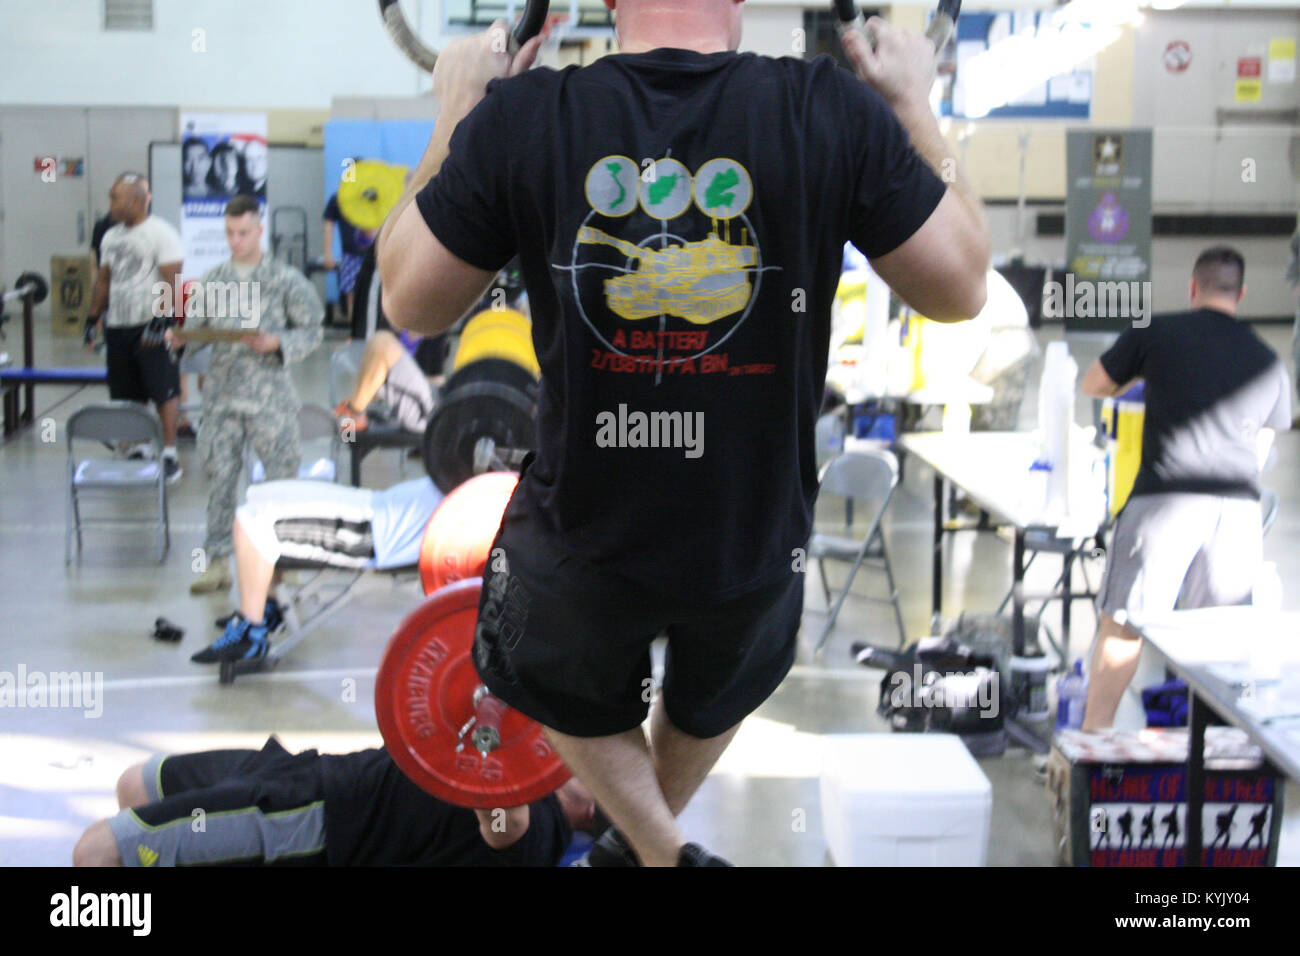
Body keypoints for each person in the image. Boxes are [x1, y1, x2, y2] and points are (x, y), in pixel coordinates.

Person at [377, 4, 989, 867]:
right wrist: (915, 106)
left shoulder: (527, 118)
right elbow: (964, 283)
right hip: (753, 545)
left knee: (532, 641)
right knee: (723, 678)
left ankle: (656, 851)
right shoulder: (827, 111)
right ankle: (656, 850)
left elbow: (407, 298)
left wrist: (454, 113)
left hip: (581, 546)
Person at [1080, 246, 1291, 730]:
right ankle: (1213, 763)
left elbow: (1094, 383)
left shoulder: (1158, 332)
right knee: (1218, 647)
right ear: (1241, 294)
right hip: (1237, 518)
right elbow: (1261, 449)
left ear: (1192, 287)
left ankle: (1091, 747)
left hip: (1164, 506)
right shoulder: (1266, 358)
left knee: (1123, 628)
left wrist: (1139, 380)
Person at [72, 736, 597, 867]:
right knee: (137, 784)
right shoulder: (536, 761)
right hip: (306, 770)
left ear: (593, 806)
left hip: (311, 821)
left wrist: (501, 770)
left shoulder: (544, 828)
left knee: (97, 851)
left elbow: (503, 825)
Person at [172, 194, 324, 595]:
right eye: (229, 233)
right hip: (222, 397)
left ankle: (286, 559)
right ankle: (217, 563)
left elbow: (313, 331)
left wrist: (278, 342)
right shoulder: (213, 280)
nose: (235, 241)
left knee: (281, 481)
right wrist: (179, 339)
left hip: (270, 398)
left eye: (243, 233)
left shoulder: (285, 279)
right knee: (220, 480)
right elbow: (195, 334)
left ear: (259, 230)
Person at [188, 474, 442, 663]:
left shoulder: (476, 491)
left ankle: (250, 635)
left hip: (373, 532)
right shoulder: (468, 469)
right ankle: (267, 608)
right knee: (261, 494)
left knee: (252, 521)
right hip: (381, 505)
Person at [89, 172, 185, 480]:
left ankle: (169, 452)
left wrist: (164, 319)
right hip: (119, 326)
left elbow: (174, 280)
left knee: (164, 391)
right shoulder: (110, 236)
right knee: (125, 392)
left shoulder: (161, 233)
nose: (111, 204)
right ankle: (135, 447)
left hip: (151, 325)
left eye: (115, 198)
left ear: (134, 201)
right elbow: (104, 281)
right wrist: (93, 318)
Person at [333, 329, 438, 436]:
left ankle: (354, 414)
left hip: (428, 416)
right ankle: (353, 415)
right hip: (430, 405)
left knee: (383, 345)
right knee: (381, 339)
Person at [323, 177, 378, 322]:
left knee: (373, 294)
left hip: (373, 254)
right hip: (350, 255)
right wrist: (328, 254)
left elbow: (379, 223)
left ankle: (370, 328)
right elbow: (329, 226)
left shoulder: (373, 198)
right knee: (351, 294)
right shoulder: (338, 199)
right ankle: (355, 330)